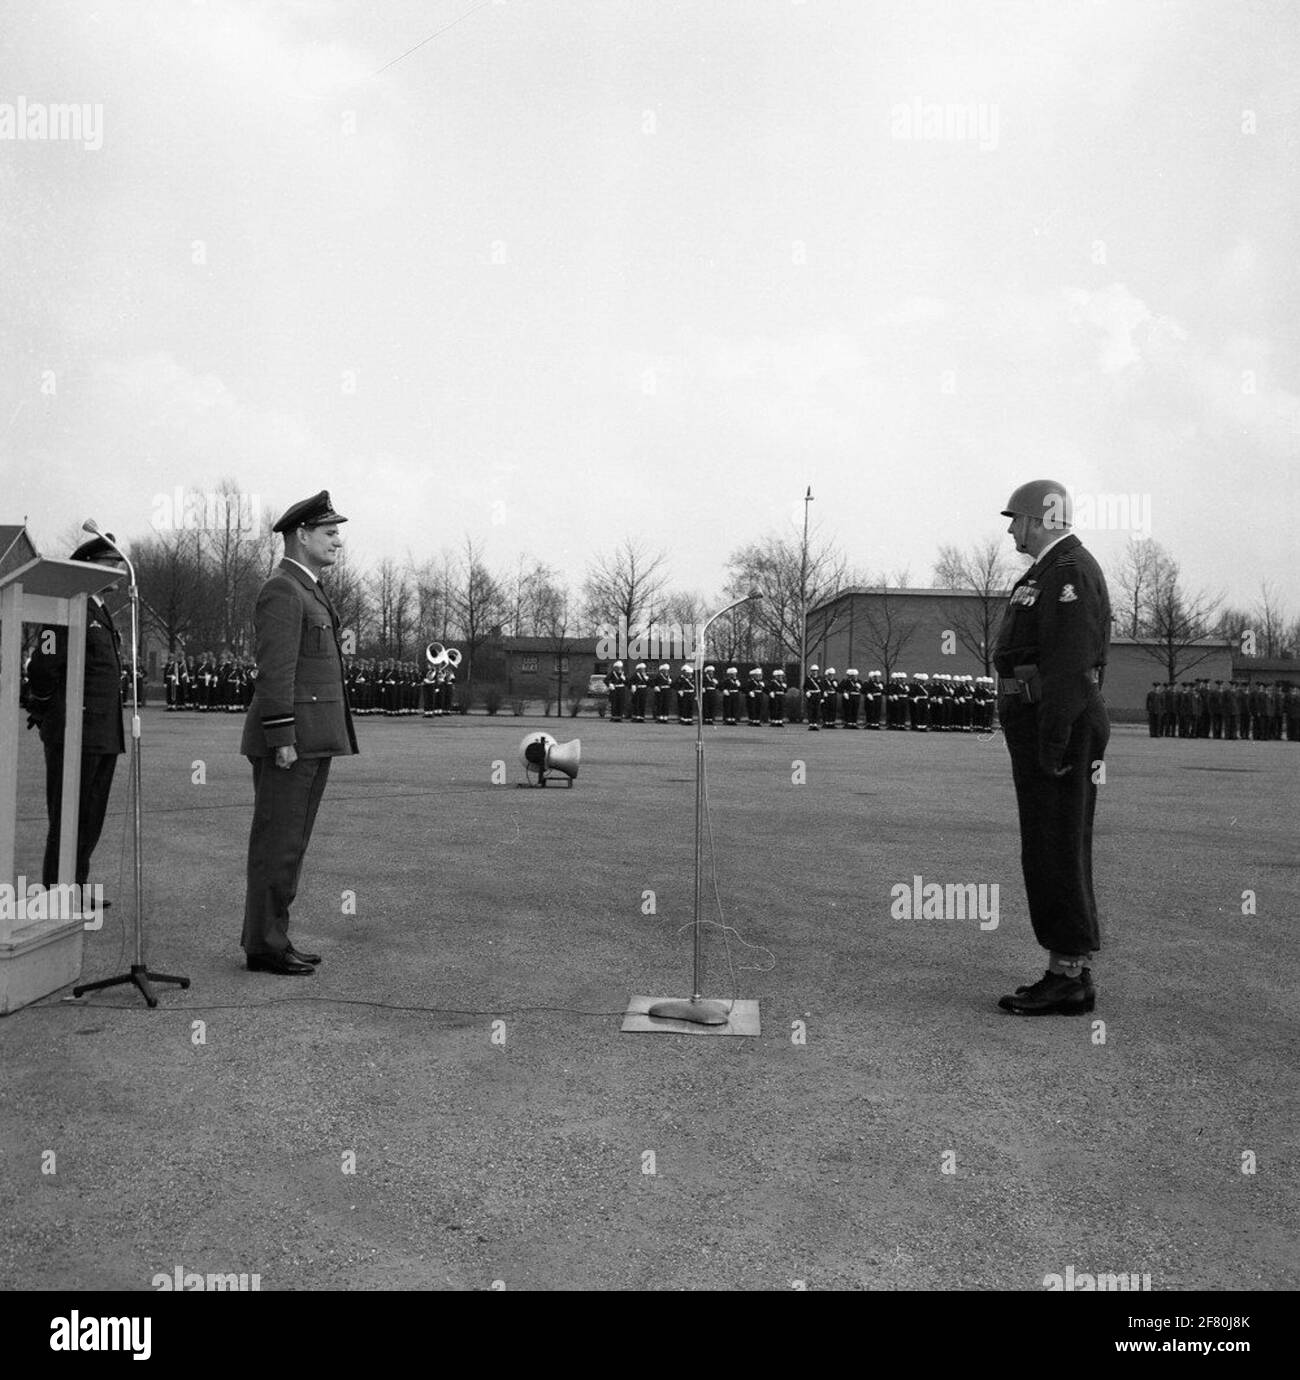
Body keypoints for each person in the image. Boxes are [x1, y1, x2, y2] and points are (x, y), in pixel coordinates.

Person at [993, 479, 1110, 1017]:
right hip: (1042, 722)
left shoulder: (1068, 573)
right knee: (1047, 843)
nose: (1012, 528)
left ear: (1040, 519)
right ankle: (1067, 968)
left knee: (1056, 844)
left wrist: (1055, 737)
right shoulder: (1049, 571)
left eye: (1016, 519)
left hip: (1056, 724)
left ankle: (1067, 975)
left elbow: (1068, 664)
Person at [240, 492, 357, 976]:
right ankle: (265, 945)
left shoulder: (309, 588)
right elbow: (276, 671)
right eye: (329, 532)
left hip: (312, 736)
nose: (338, 541)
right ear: (301, 535)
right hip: (291, 741)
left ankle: (272, 937)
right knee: (277, 844)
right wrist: (282, 735)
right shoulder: (283, 590)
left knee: (290, 844)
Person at [23, 532, 127, 912]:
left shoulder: (99, 611)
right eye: (110, 563)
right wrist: (46, 705)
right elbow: (44, 664)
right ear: (88, 568)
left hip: (102, 734)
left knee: (90, 816)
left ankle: (76, 886)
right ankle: (55, 894)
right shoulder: (68, 607)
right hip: (73, 732)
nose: (119, 569)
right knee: (67, 815)